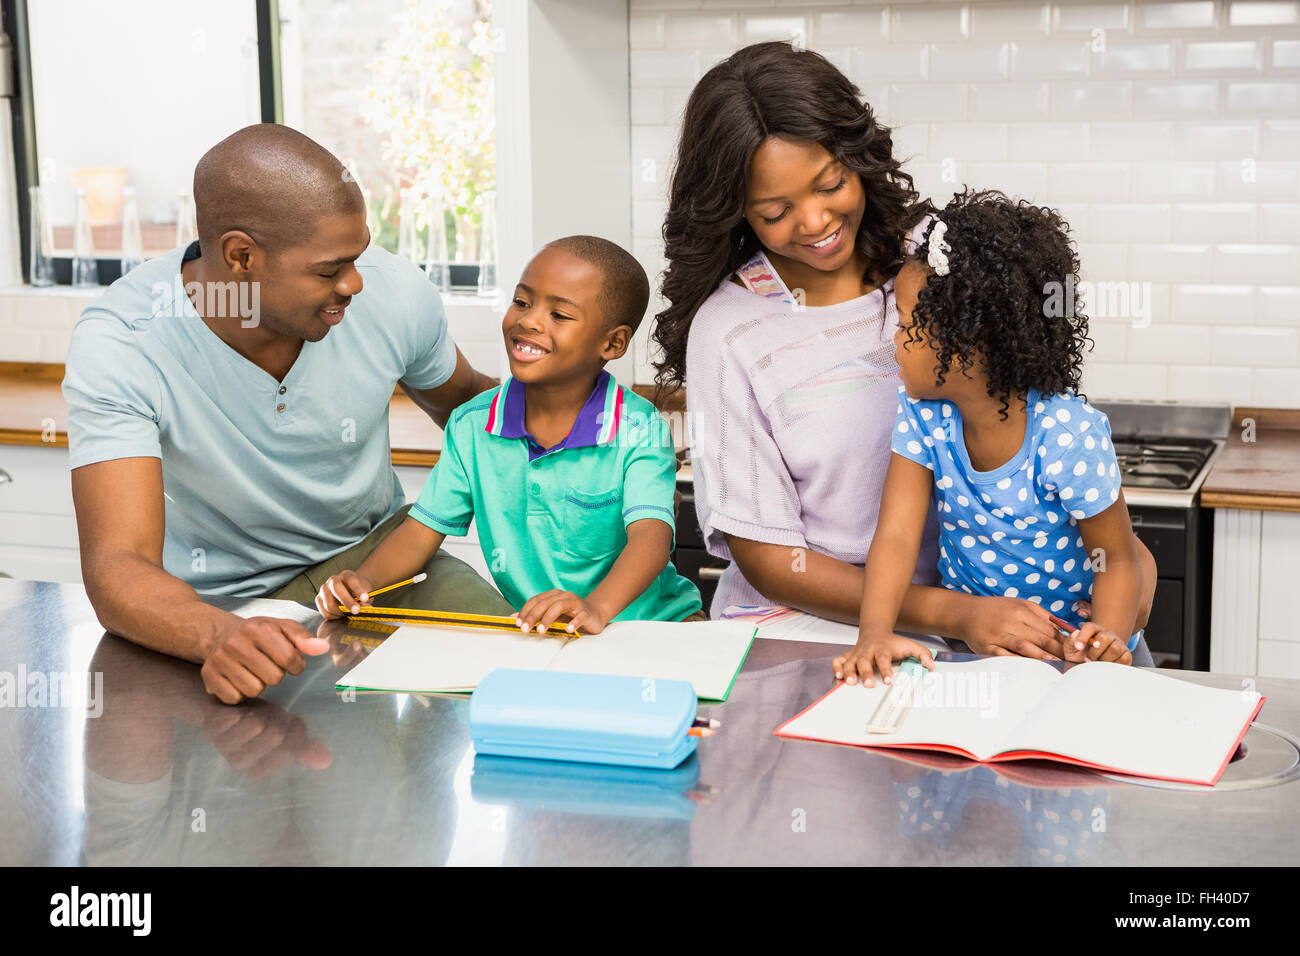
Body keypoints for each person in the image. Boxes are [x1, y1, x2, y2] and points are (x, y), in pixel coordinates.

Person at [652, 41, 1156, 659]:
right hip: (808, 630)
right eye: (777, 210)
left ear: (857, 157)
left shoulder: (931, 260)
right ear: (735, 213)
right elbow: (772, 560)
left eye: (830, 183)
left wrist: (1113, 553)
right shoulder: (728, 332)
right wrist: (954, 613)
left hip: (980, 623)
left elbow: (1026, 406)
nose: (814, 222)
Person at [64, 124, 504, 704]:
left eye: (359, 254)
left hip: (380, 567)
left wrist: (601, 419)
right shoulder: (124, 343)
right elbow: (119, 564)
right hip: (222, 607)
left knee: (517, 680)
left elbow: (475, 410)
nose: (354, 282)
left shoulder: (394, 294)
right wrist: (217, 634)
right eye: (328, 270)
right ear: (241, 256)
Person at [834, 190, 1152, 686]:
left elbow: (1118, 561)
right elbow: (896, 535)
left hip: (1080, 655)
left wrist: (1102, 643)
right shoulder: (922, 415)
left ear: (961, 345)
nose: (892, 340)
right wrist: (874, 634)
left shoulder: (1067, 434)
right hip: (986, 650)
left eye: (902, 324)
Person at [318, 236, 703, 633]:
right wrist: (362, 583)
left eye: (560, 315)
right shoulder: (471, 426)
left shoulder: (641, 429)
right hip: (547, 634)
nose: (530, 321)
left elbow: (651, 541)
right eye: (522, 301)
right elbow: (420, 531)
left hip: (656, 628)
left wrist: (595, 609)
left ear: (613, 342)